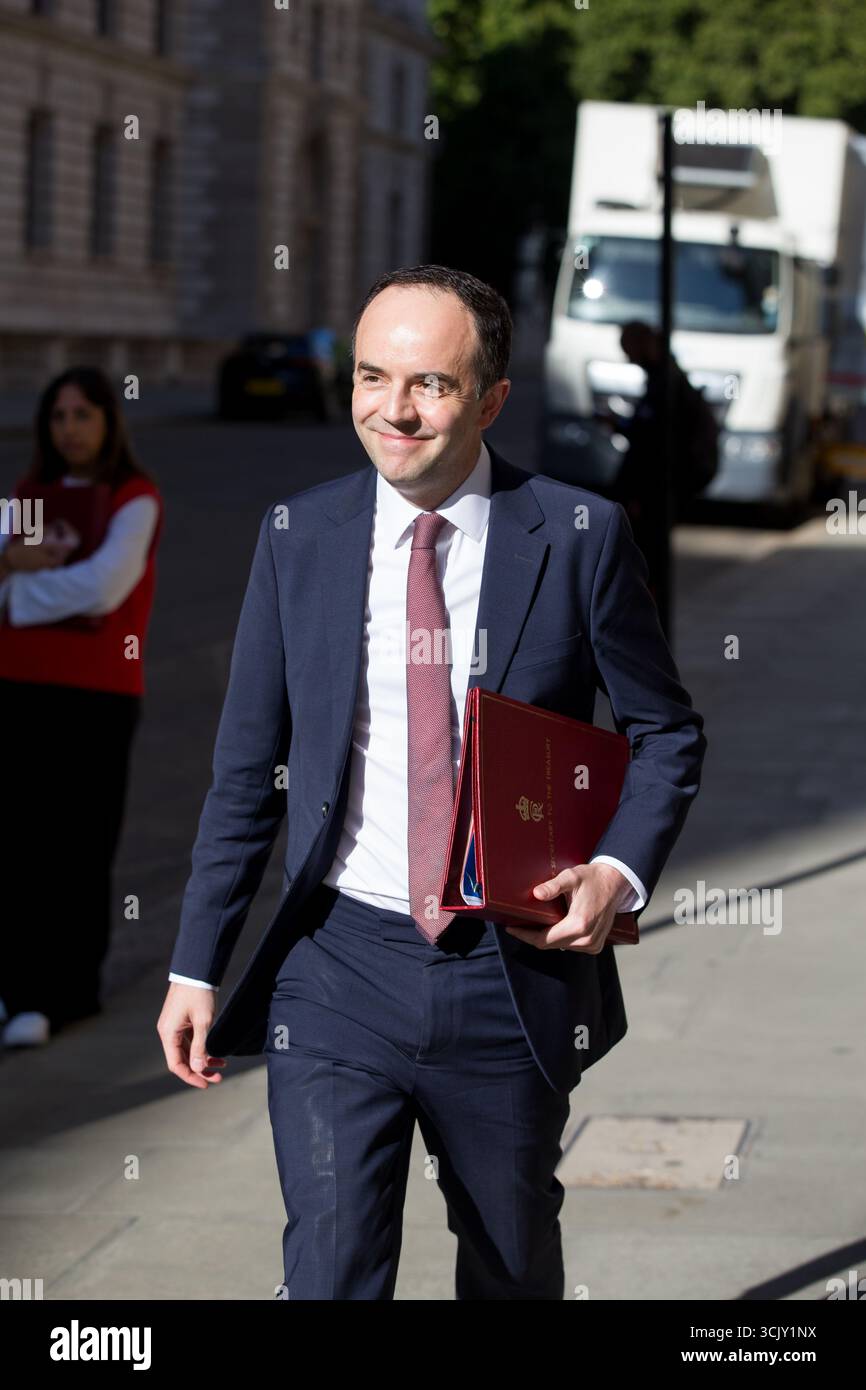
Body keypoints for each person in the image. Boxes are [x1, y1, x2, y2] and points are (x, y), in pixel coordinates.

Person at [158, 266, 706, 1300]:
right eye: (370, 377)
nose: (391, 411)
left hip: (504, 974)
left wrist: (615, 872)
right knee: (327, 1272)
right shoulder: (298, 537)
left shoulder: (577, 538)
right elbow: (246, 770)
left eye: (429, 385)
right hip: (332, 967)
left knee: (505, 1267)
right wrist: (196, 965)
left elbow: (664, 730)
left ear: (491, 400)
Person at [0, 367, 164, 1047]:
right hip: (18, 684)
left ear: (107, 422)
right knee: (17, 843)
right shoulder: (31, 493)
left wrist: (16, 589)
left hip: (96, 695)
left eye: (83, 415)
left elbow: (102, 589)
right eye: (59, 416)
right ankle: (17, 989)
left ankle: (65, 993)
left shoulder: (132, 496)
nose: (70, 429)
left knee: (76, 844)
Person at [613, 320, 719, 591]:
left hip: (661, 483)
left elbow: (652, 439)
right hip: (661, 482)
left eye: (629, 348)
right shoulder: (663, 376)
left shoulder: (665, 381)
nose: (627, 357)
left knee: (649, 548)